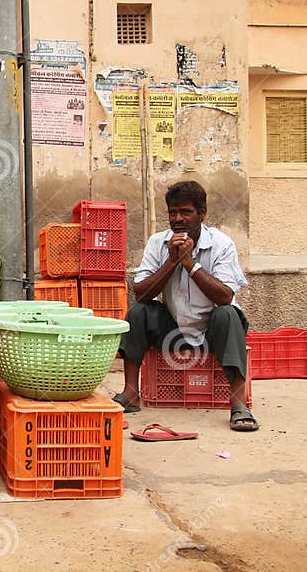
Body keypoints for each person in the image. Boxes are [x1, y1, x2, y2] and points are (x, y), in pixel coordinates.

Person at [114, 180, 258, 432]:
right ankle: (131, 392)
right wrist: (172, 261)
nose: (178, 218)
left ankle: (238, 403)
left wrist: (190, 263)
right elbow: (141, 294)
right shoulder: (158, 243)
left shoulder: (221, 244)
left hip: (214, 330)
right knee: (139, 312)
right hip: (174, 328)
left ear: (202, 213)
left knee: (228, 314)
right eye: (172, 212)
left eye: (186, 212)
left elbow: (224, 296)